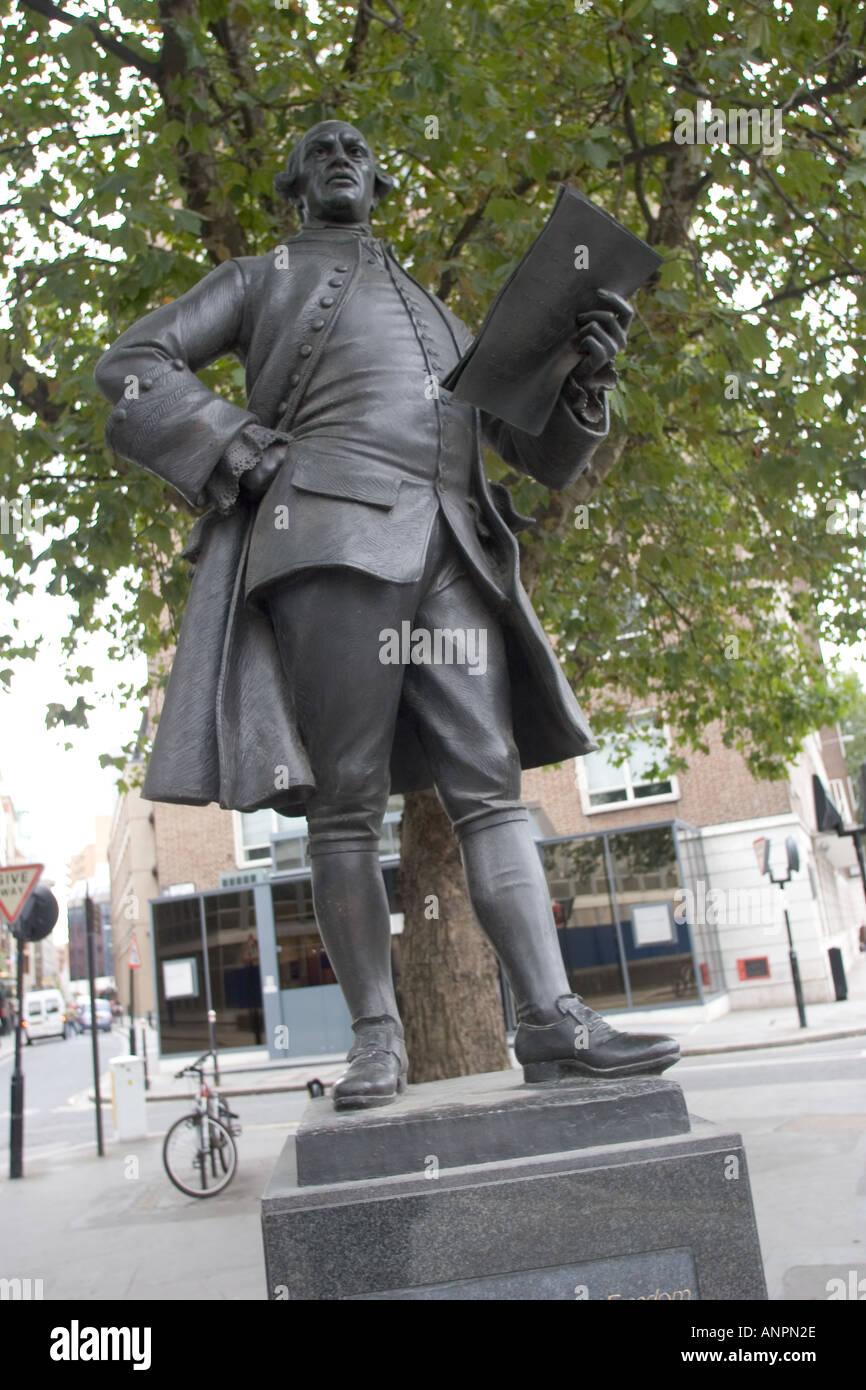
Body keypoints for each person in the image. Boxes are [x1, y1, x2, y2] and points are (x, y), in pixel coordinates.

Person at [95, 120, 678, 1110]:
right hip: (328, 543)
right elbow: (134, 362)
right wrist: (240, 446)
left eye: (357, 149)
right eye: (317, 148)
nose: (338, 157)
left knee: (489, 788)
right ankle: (375, 1036)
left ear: (377, 178)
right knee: (347, 800)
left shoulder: (435, 313)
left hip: (451, 551)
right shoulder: (260, 275)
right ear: (292, 181)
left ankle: (546, 1016)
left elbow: (528, 447)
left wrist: (585, 378)